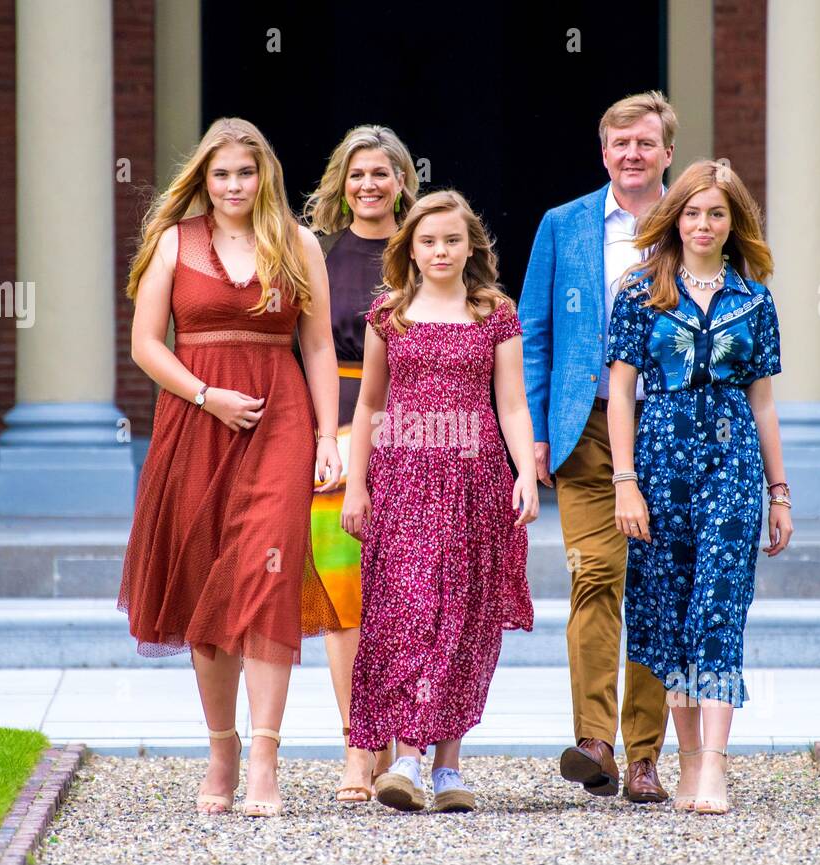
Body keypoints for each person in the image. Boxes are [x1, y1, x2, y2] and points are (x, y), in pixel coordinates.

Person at [118, 117, 343, 818]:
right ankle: (223, 752)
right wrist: (206, 395)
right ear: (205, 180)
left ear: (264, 175)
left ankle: (267, 762)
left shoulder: (297, 244)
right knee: (206, 587)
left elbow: (316, 349)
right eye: (222, 174)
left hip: (281, 425)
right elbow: (146, 344)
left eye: (246, 172)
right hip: (195, 424)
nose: (234, 185)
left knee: (267, 581)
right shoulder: (173, 243)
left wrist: (328, 436)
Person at [606, 159, 793, 814]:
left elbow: (763, 404)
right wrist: (624, 482)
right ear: (674, 217)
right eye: (692, 212)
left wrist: (779, 491)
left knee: (718, 606)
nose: (704, 224)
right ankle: (687, 767)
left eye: (716, 213)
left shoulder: (755, 299)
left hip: (733, 468)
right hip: (658, 470)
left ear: (733, 221)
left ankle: (713, 767)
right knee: (668, 612)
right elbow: (620, 396)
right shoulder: (638, 294)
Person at [341, 190, 537, 813]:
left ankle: (448, 768)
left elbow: (510, 401)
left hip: (474, 483)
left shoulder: (494, 312)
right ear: (411, 248)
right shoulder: (389, 314)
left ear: (471, 245)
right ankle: (403, 758)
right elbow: (369, 404)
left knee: (463, 615)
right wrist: (356, 482)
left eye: (451, 240)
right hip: (403, 482)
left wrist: (524, 471)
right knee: (404, 611)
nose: (440, 251)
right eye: (428, 241)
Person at [518, 91, 677, 802]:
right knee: (595, 577)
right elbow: (536, 331)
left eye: (645, 143)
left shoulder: (694, 220)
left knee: (655, 590)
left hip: (672, 430)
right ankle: (595, 742)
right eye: (620, 145)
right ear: (603, 151)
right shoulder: (564, 225)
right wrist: (536, 434)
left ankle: (645, 756)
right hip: (585, 429)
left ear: (667, 151)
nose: (632, 155)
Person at [298, 125, 420, 803]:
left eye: (381, 173)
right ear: (340, 184)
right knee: (344, 598)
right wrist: (325, 434)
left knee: (406, 597)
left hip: (417, 434)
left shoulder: (427, 244)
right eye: (356, 175)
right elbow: (303, 348)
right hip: (333, 433)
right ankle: (357, 746)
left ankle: (407, 749)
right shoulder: (317, 253)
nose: (368, 185)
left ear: (404, 178)